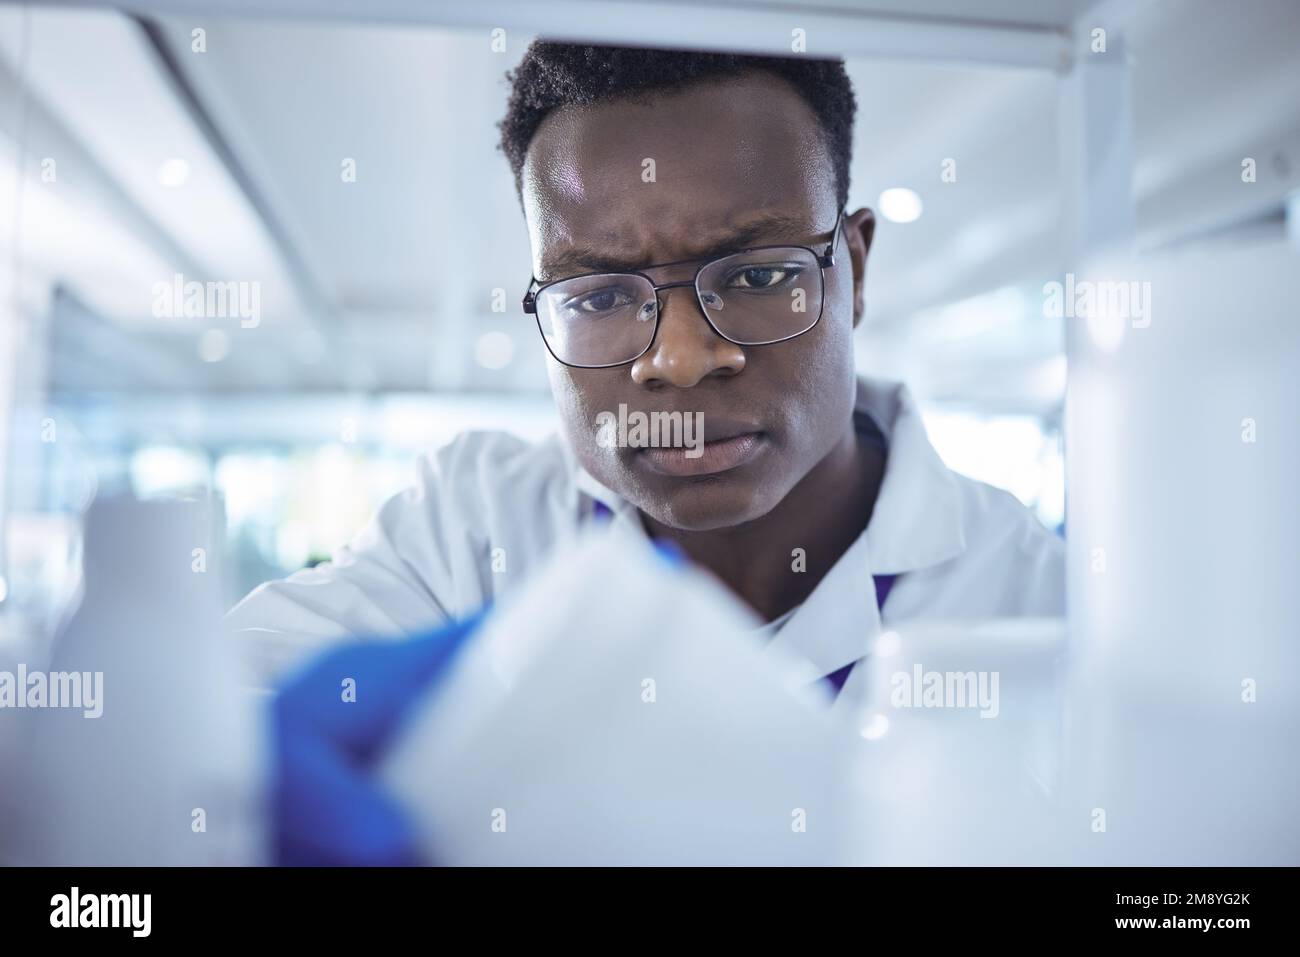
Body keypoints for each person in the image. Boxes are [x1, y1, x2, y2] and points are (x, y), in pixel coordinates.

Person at [228, 42, 1064, 703]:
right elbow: (199, 707)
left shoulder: (1039, 601)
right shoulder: (469, 535)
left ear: (853, 268)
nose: (680, 359)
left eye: (760, 275)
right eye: (598, 296)